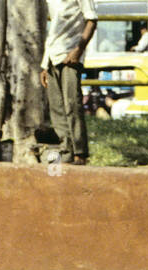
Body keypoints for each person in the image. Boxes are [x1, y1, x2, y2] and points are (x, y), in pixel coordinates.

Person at [41, 0, 97, 166]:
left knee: (72, 104)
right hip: (53, 56)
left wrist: (78, 50)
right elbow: (53, 31)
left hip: (70, 55)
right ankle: (66, 150)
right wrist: (44, 65)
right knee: (56, 108)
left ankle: (80, 153)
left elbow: (92, 21)